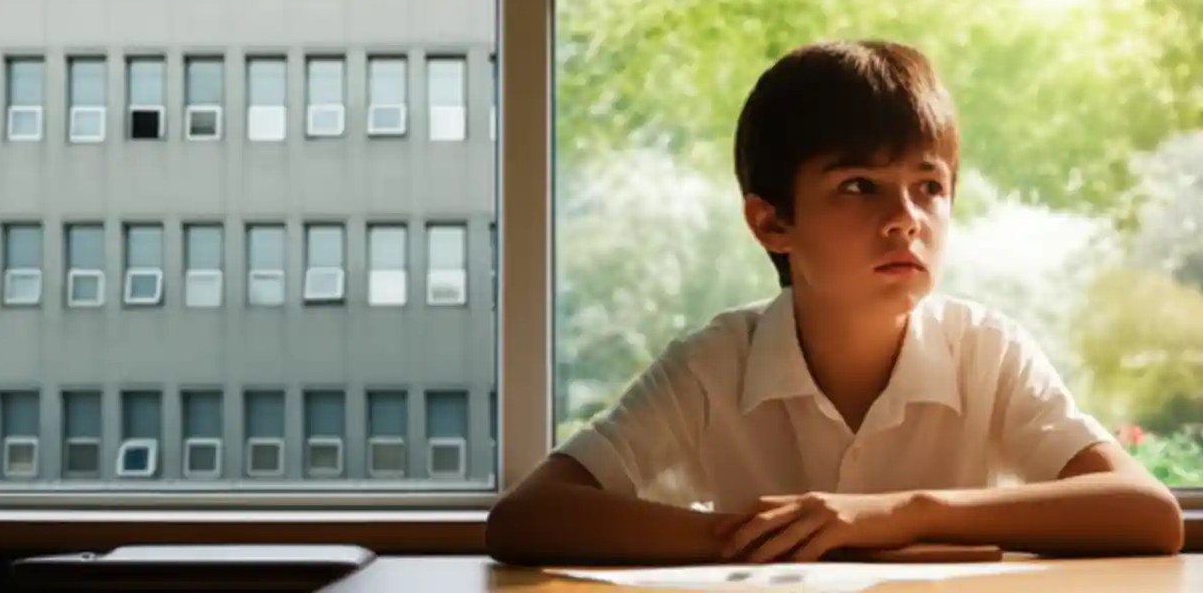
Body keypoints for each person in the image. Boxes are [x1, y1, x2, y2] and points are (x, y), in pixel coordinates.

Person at [485, 40, 1184, 565]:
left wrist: (898, 515)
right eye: (859, 185)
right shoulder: (716, 362)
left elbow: (1147, 514)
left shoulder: (985, 349)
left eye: (929, 187)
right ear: (771, 223)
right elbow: (527, 518)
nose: (906, 217)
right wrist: (785, 540)